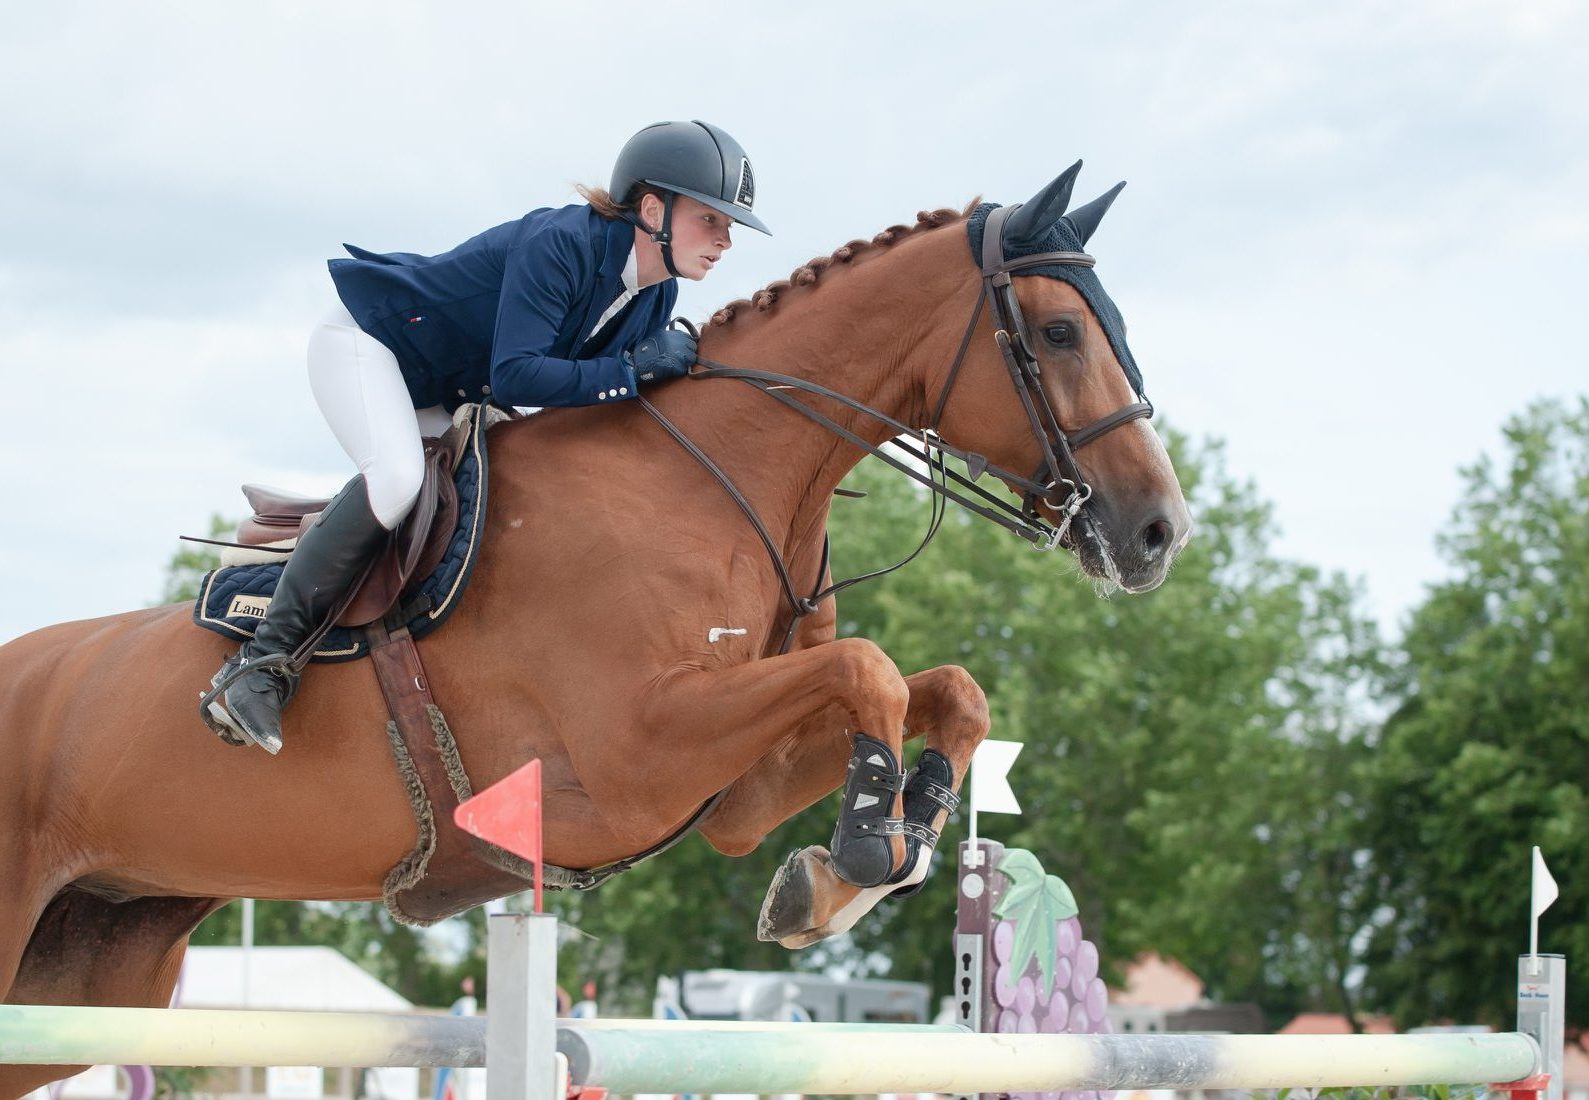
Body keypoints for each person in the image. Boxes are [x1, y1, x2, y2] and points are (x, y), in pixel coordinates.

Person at [203, 120, 769, 755]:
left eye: (729, 228)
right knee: (395, 481)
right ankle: (258, 667)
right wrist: (632, 372)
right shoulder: (562, 244)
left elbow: (589, 397)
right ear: (651, 208)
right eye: (711, 220)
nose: (724, 241)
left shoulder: (653, 295)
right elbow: (519, 372)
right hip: (368, 345)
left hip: (443, 389)